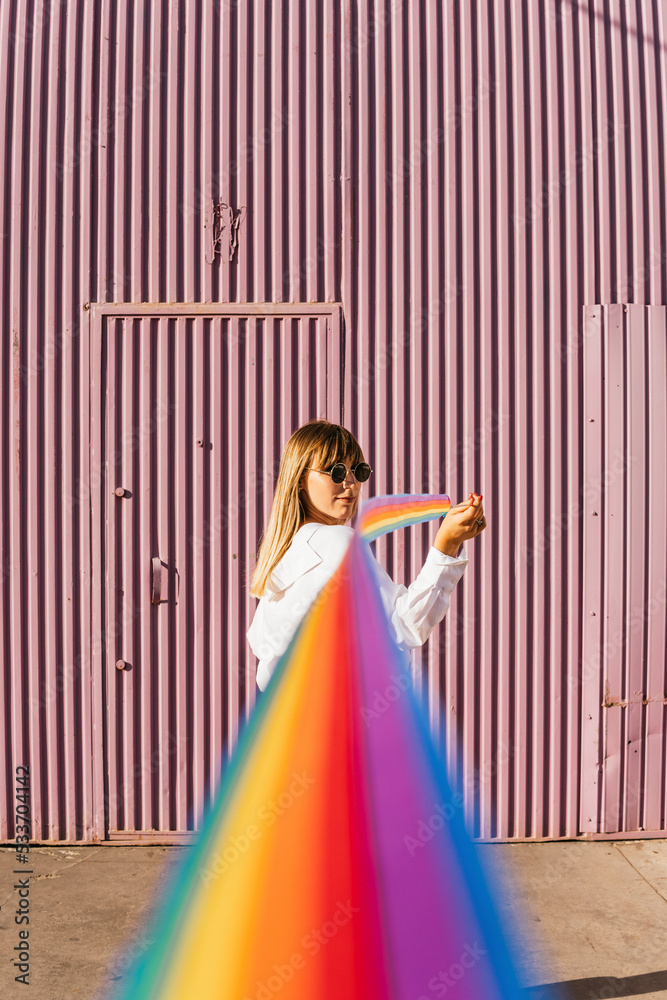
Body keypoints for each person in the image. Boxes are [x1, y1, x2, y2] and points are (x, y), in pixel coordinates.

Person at [246, 419, 486, 694]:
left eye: (358, 471)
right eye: (335, 471)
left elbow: (264, 658)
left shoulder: (284, 558)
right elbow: (404, 627)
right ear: (300, 479)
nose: (350, 482)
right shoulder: (337, 542)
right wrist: (447, 544)